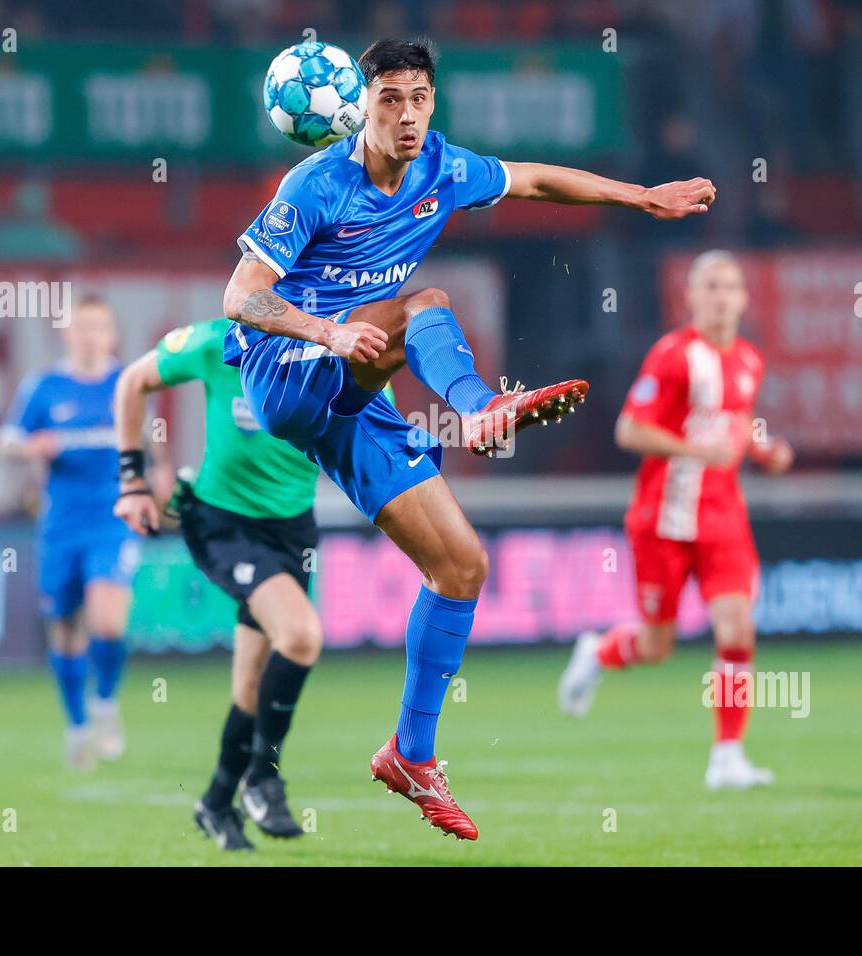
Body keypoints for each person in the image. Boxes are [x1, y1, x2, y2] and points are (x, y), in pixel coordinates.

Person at [222, 37, 716, 839]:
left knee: (461, 567)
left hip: (353, 391)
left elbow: (535, 179)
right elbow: (240, 297)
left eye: (419, 98)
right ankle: (481, 408)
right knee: (426, 303)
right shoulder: (316, 184)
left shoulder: (443, 168)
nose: (407, 115)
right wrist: (325, 330)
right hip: (285, 371)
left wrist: (641, 198)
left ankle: (411, 755)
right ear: (359, 106)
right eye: (390, 99)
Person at [113, 319, 379, 850]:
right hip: (222, 522)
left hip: (293, 530)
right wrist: (133, 480)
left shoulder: (342, 354)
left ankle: (215, 803)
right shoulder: (218, 341)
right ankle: (262, 777)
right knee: (301, 637)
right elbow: (132, 382)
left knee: (251, 689)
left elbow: (377, 437)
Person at [558, 251, 793, 789]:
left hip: (724, 517)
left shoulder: (749, 360)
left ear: (744, 298)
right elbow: (629, 430)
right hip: (662, 519)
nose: (721, 296)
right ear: (690, 296)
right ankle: (598, 651)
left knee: (737, 629)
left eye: (729, 286)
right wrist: (695, 450)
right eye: (710, 286)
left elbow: (738, 422)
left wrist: (765, 449)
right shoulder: (673, 355)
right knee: (657, 647)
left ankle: (727, 757)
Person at [0, 296, 138, 770]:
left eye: (99, 326)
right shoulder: (45, 387)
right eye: (82, 326)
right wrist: (30, 446)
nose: (90, 335)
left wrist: (151, 484)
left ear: (112, 334)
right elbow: (3, 440)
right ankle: (77, 726)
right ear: (66, 332)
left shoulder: (128, 383)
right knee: (67, 628)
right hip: (60, 526)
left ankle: (106, 703)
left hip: (112, 520)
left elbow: (145, 444)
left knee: (108, 621)